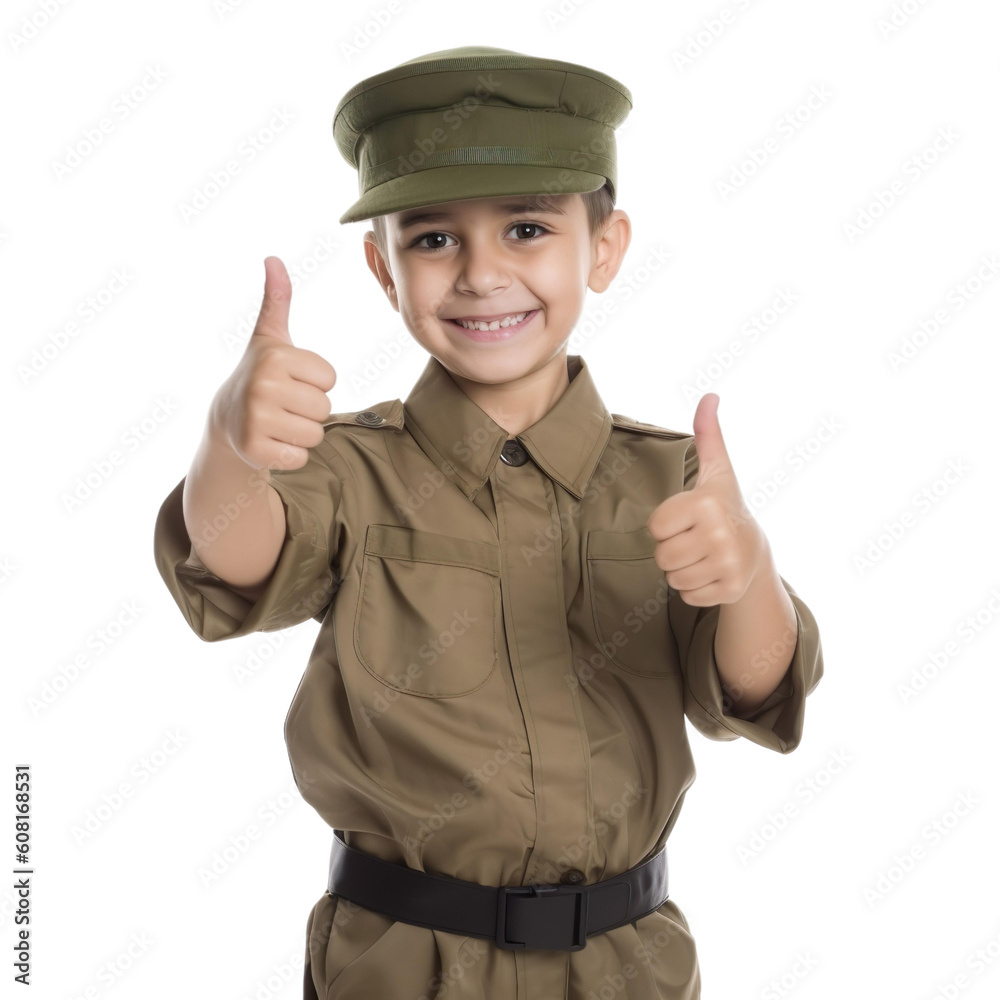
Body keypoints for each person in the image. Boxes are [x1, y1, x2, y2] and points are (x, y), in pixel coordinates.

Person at [153, 45, 824, 1000]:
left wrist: (749, 577)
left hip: (626, 968)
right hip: (401, 967)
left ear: (603, 246)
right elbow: (238, 556)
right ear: (383, 270)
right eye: (431, 240)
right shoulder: (349, 467)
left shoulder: (670, 477)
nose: (479, 274)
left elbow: (755, 692)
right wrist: (230, 441)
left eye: (525, 228)